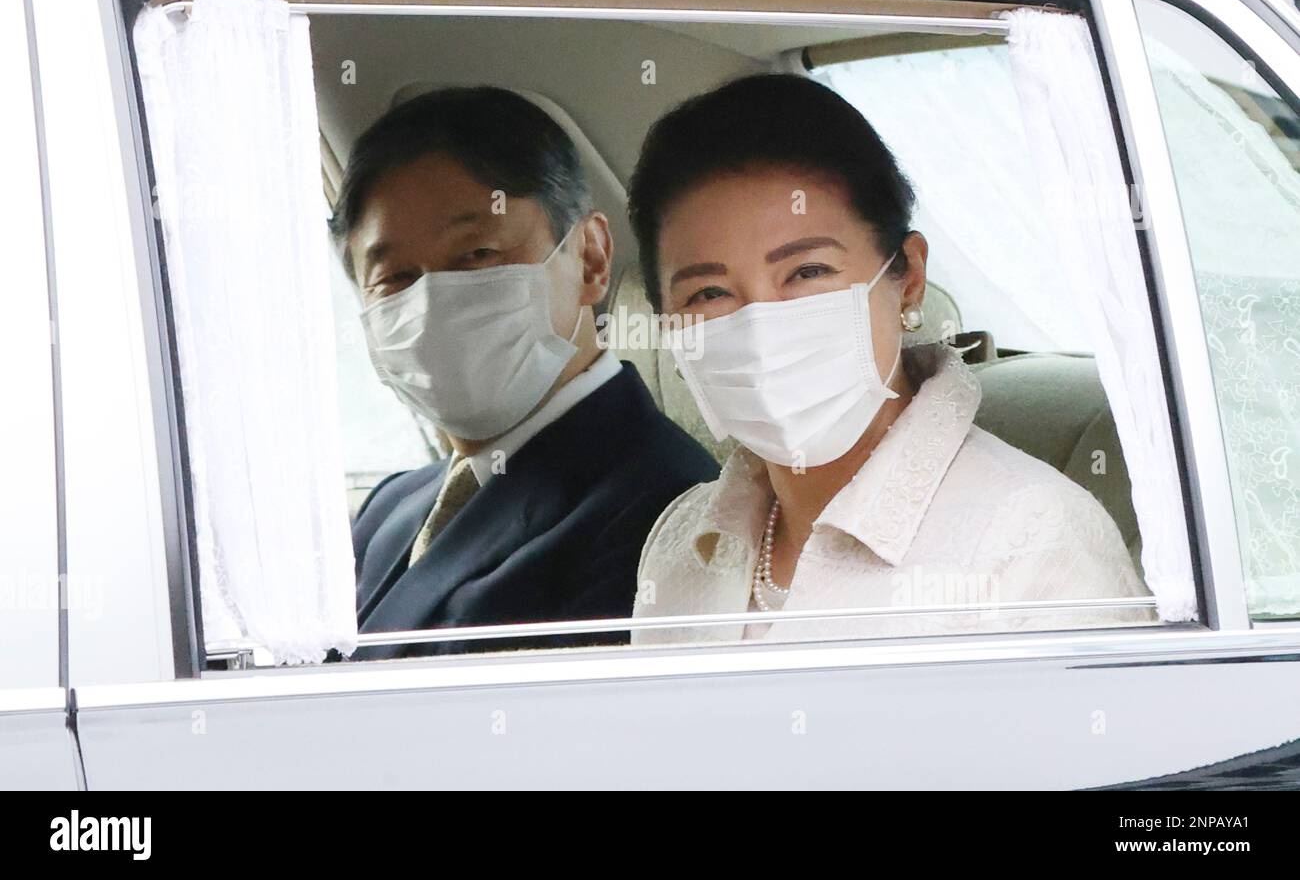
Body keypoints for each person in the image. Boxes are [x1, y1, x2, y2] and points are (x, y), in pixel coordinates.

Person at [627, 74, 1154, 645]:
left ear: (908, 278)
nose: (760, 325)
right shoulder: (682, 539)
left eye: (808, 273)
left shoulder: (1033, 543)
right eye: (708, 294)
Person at [332, 86, 718, 658]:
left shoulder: (667, 510)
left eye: (478, 255)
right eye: (396, 279)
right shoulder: (394, 504)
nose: (434, 302)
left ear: (590, 257)